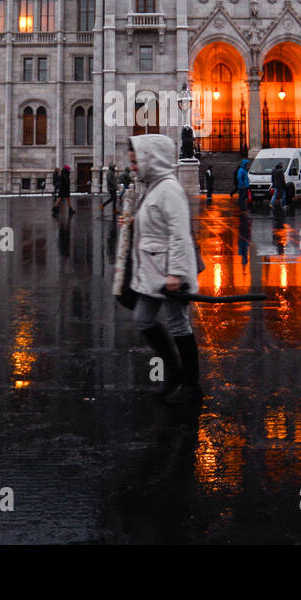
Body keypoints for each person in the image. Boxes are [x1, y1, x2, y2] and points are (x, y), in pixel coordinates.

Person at [127, 134, 203, 405]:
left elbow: (180, 234)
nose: (133, 166)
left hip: (170, 274)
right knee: (143, 319)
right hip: (152, 273)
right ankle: (173, 372)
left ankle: (191, 385)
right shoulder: (153, 188)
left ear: (151, 159)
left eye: (137, 161)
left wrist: (177, 274)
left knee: (178, 324)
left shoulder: (169, 189)